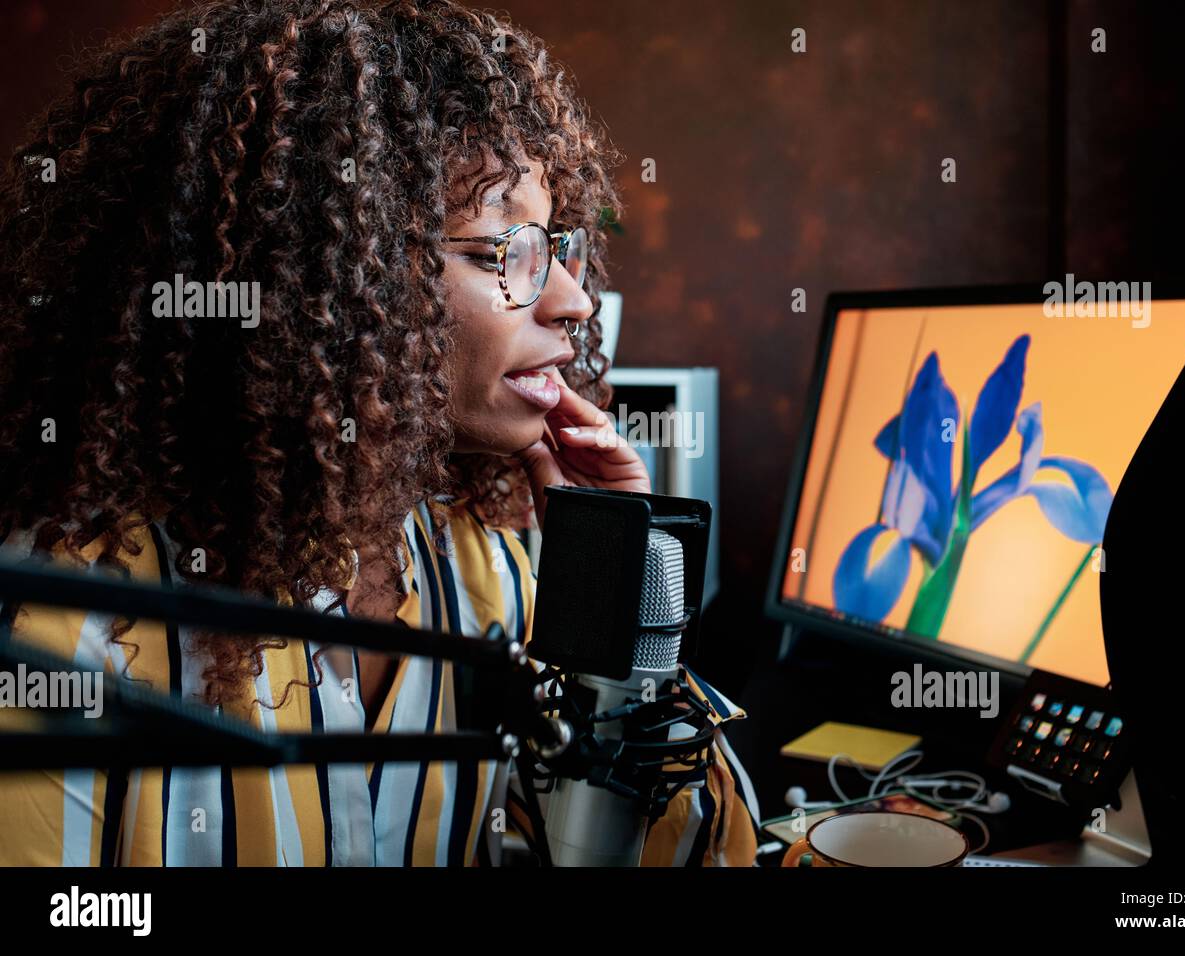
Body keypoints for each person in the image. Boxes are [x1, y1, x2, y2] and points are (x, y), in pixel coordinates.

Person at [0, 0, 759, 866]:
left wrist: (621, 596)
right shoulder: (68, 628)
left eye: (557, 246)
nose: (574, 300)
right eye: (503, 251)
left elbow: (693, 855)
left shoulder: (489, 571)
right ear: (326, 279)